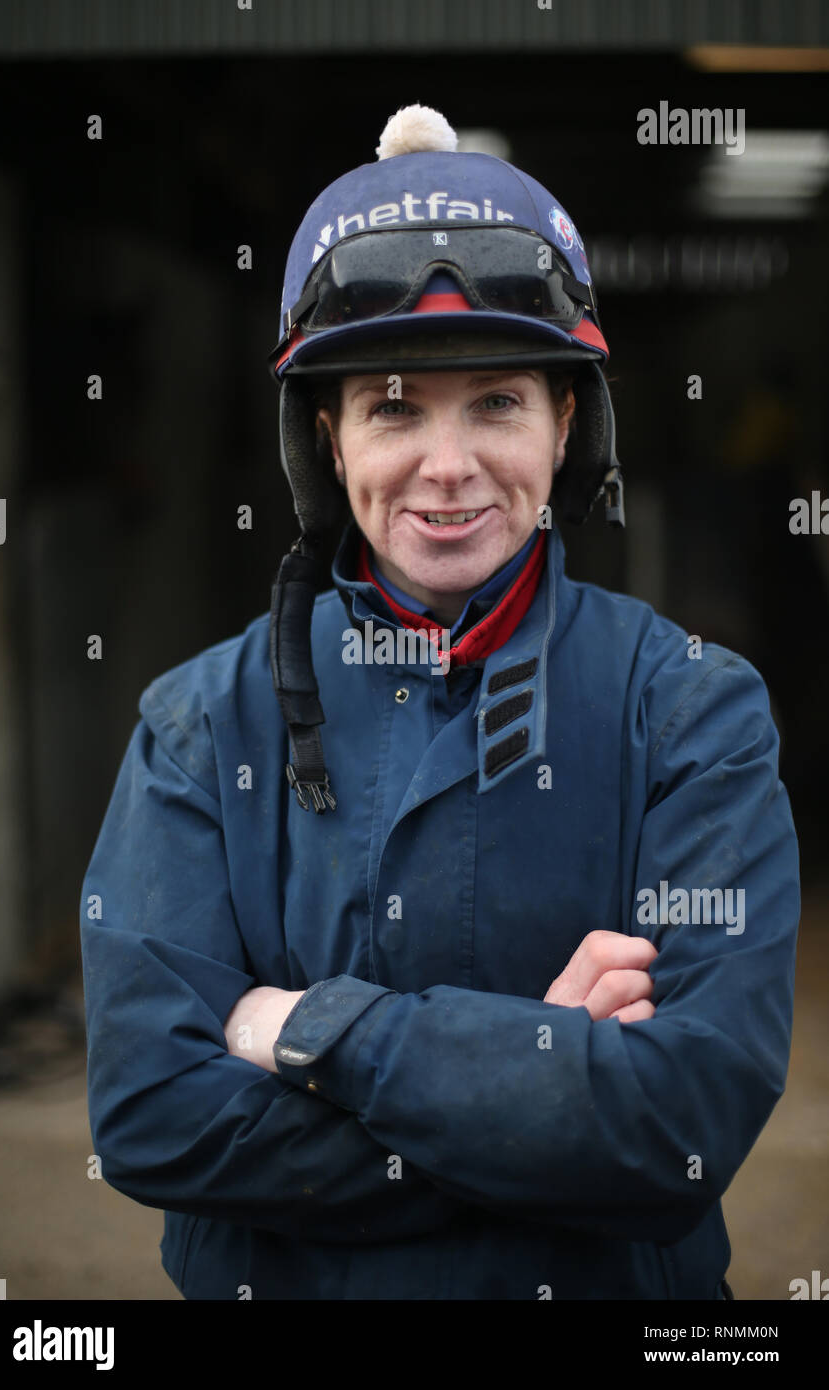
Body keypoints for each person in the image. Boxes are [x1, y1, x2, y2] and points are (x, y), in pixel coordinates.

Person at [80, 104, 799, 1301]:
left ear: (566, 423)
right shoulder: (200, 729)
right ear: (330, 436)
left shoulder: (690, 711)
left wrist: (314, 1031)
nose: (447, 464)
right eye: (396, 406)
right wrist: (541, 1078)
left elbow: (679, 1123)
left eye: (498, 402)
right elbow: (153, 1114)